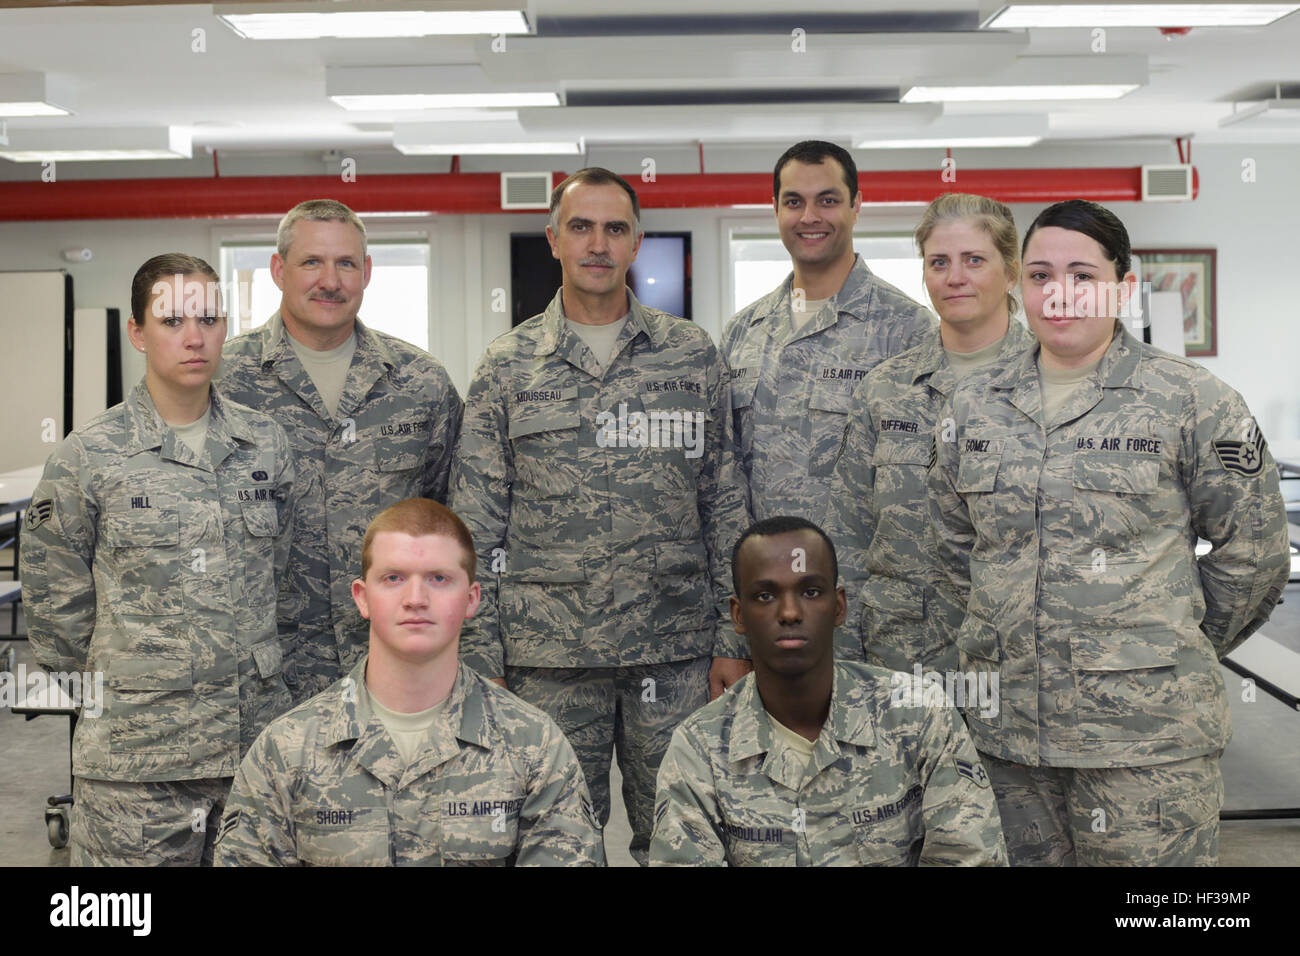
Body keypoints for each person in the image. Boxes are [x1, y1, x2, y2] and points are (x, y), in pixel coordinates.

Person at [929, 199, 1290, 866]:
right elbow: (957, 552)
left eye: (1082, 275)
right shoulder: (972, 406)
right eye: (1039, 275)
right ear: (1019, 285)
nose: (1058, 293)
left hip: (1144, 741)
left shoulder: (1192, 401)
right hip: (1008, 738)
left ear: (1124, 287)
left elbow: (1256, 552)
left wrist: (1168, 643)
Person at [449, 168, 752, 865]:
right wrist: (482, 656)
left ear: (636, 241)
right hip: (548, 659)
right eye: (580, 227)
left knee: (687, 835)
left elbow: (723, 499)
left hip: (673, 648)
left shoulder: (690, 354)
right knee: (556, 841)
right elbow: (479, 522)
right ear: (554, 239)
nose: (598, 243)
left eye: (615, 228)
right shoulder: (508, 365)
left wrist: (732, 639)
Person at [20, 253, 297, 865]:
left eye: (209, 318)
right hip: (135, 765)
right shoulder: (89, 456)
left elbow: (280, 576)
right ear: (138, 333)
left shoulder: (266, 444)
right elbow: (53, 609)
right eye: (172, 321)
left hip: (253, 753)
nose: (194, 337)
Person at [214, 498, 603, 867]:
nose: (415, 598)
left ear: (471, 599)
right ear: (362, 598)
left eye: (438, 578)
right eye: (393, 578)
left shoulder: (533, 746)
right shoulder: (286, 749)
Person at [649, 516, 1007, 866]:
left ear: (839, 607)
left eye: (810, 591)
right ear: (738, 616)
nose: (789, 612)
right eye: (765, 595)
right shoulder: (700, 748)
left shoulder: (919, 715)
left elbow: (971, 856)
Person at [218, 198, 463, 704]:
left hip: (394, 662)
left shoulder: (420, 383)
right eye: (312, 262)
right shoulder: (224, 382)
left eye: (346, 263)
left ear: (367, 272)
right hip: (261, 670)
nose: (330, 280)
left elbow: (456, 520)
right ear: (278, 270)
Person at [827, 194, 1032, 667]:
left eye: (974, 260)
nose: (955, 276)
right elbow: (848, 537)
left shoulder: (1053, 385)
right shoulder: (884, 390)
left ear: (1012, 271)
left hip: (1021, 667)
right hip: (901, 658)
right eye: (939, 262)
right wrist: (846, 661)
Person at [721, 140, 934, 524]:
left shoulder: (907, 330)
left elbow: (921, 484)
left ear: (856, 207)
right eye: (793, 202)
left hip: (854, 577)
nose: (809, 217)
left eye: (827, 200)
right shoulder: (741, 334)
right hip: (759, 575)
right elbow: (722, 475)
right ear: (775, 210)